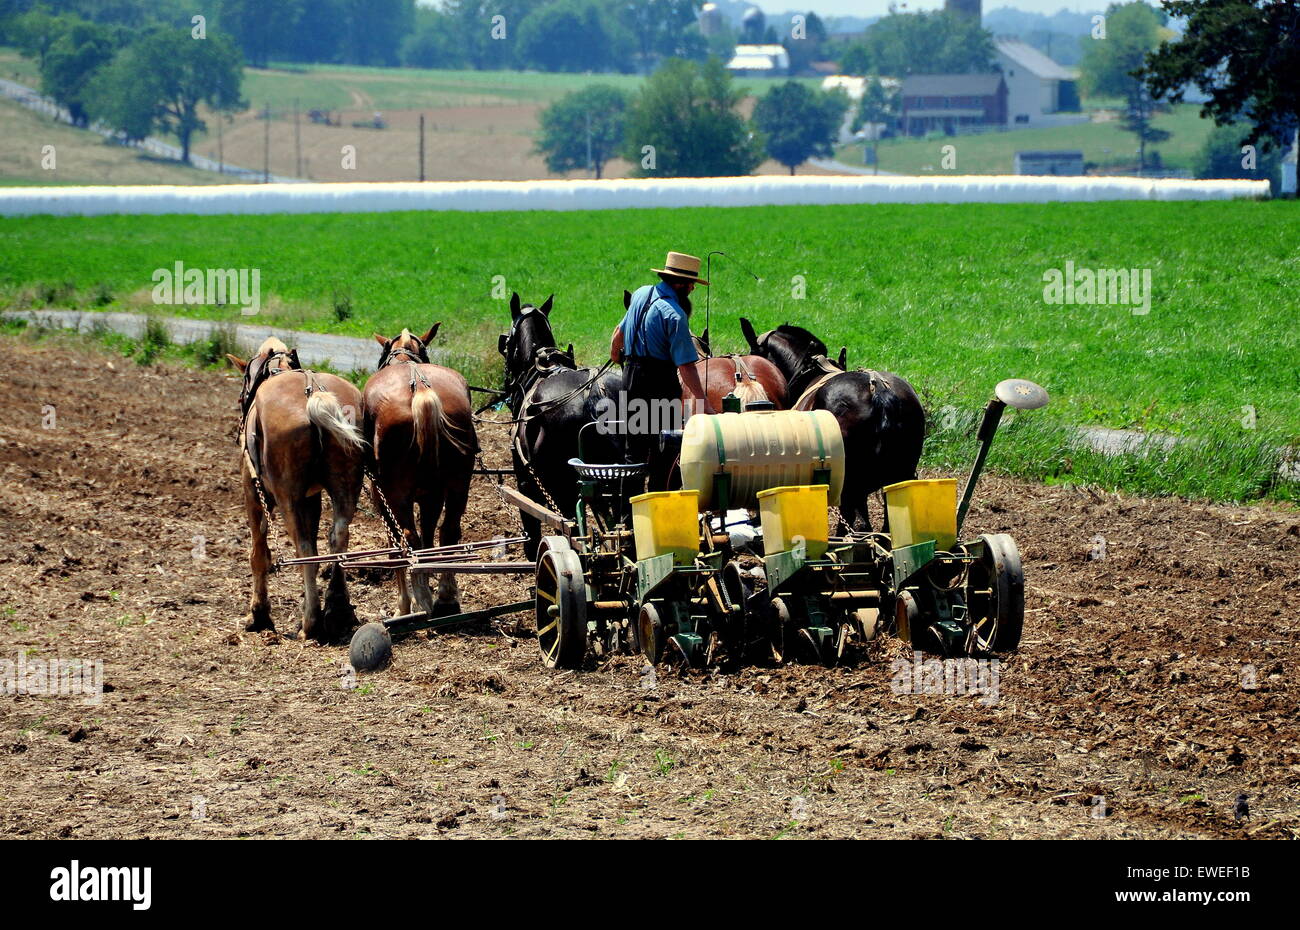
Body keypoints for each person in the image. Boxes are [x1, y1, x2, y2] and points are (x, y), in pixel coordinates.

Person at [610, 251, 717, 491]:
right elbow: (686, 366)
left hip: (630, 378)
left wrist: (616, 354)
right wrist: (703, 403)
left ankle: (628, 515)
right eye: (691, 284)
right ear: (679, 283)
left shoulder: (640, 294)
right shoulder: (675, 315)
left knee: (633, 451)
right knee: (664, 450)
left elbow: (618, 334)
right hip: (658, 383)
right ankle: (658, 506)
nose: (692, 290)